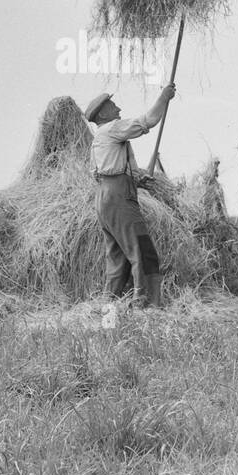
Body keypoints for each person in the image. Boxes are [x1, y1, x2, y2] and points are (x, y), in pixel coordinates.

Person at [84, 84, 176, 309]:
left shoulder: (98, 139)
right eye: (113, 105)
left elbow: (105, 171)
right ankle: (145, 305)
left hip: (104, 198)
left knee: (118, 258)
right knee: (142, 250)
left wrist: (136, 179)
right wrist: (164, 97)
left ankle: (110, 310)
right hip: (118, 197)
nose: (119, 107)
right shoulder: (113, 128)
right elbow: (149, 120)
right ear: (104, 113)